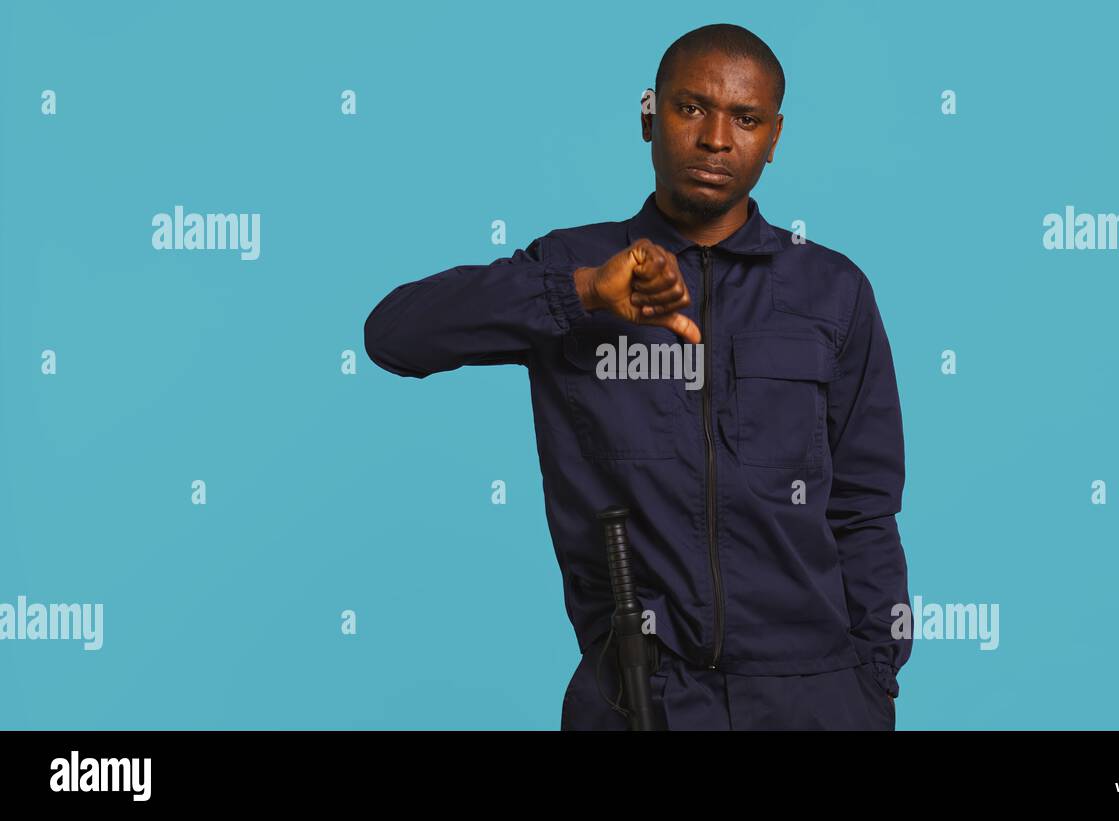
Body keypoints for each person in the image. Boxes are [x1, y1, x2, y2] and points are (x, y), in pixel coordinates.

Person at [364, 23, 908, 730]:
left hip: (815, 698)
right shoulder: (573, 263)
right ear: (649, 116)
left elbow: (866, 506)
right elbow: (394, 335)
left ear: (773, 138)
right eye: (691, 108)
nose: (716, 138)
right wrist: (582, 292)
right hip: (638, 699)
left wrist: (873, 681)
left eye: (745, 119)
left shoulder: (833, 290)